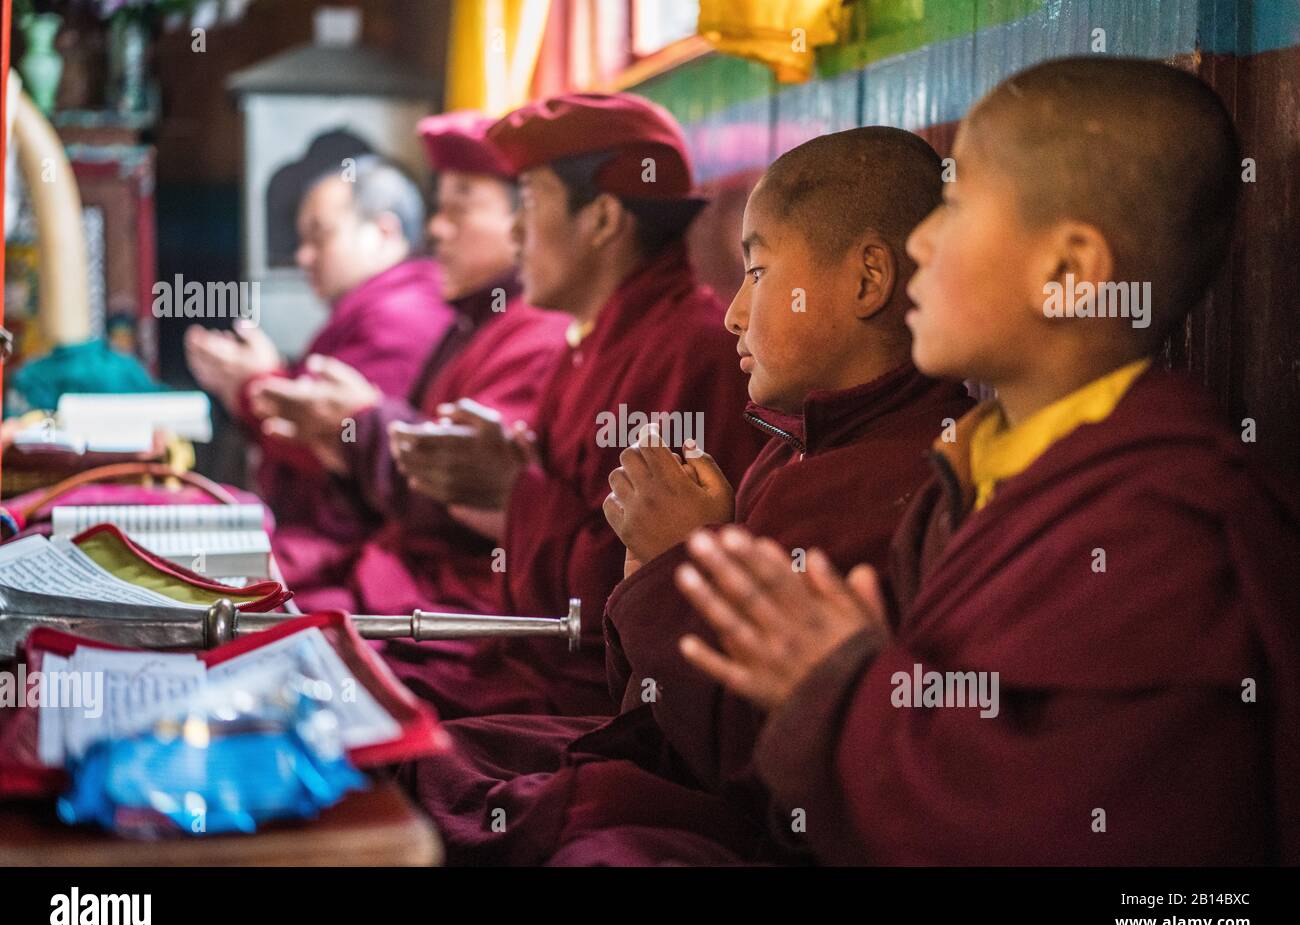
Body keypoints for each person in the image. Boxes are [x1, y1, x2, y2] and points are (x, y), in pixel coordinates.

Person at [673, 57, 1300, 865]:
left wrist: (845, 692)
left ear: (1069, 272)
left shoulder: (1171, 531)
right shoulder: (970, 467)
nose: (920, 240)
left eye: (957, 204)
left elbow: (1064, 831)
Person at [404, 127, 974, 865]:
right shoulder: (792, 439)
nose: (736, 310)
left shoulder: (906, 473)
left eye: (759, 273)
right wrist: (653, 561)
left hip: (752, 817)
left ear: (868, 280)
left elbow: (761, 761)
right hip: (660, 753)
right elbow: (653, 700)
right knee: (420, 752)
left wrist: (678, 560)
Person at [381, 92, 767, 719]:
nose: (514, 231)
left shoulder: (688, 351)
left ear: (604, 220)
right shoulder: (590, 342)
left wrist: (512, 491)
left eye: (529, 202)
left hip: (598, 699)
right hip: (532, 663)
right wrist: (493, 469)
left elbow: (636, 583)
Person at [248, 112, 568, 614]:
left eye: (460, 207)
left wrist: (351, 423)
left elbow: (463, 491)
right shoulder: (472, 321)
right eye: (437, 208)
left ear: (528, 217)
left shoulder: (536, 331)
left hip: (455, 600)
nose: (436, 229)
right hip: (396, 573)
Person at [185, 156, 450, 579]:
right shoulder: (370, 308)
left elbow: (330, 447)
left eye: (320, 236)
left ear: (384, 233)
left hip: (353, 557)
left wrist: (255, 384)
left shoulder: (404, 316)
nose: (303, 256)